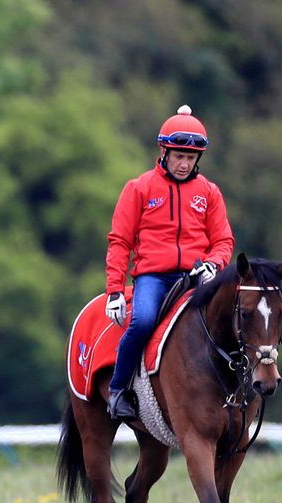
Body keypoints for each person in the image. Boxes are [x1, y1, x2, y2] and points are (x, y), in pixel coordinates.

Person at [103, 105, 235, 421]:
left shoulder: (210, 193)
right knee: (143, 321)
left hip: (196, 276)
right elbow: (120, 241)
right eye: (178, 156)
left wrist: (214, 264)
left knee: (233, 321)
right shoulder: (139, 188)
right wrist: (115, 291)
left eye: (190, 158)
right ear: (164, 152)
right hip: (153, 277)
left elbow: (223, 241)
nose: (184, 164)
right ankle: (118, 390)